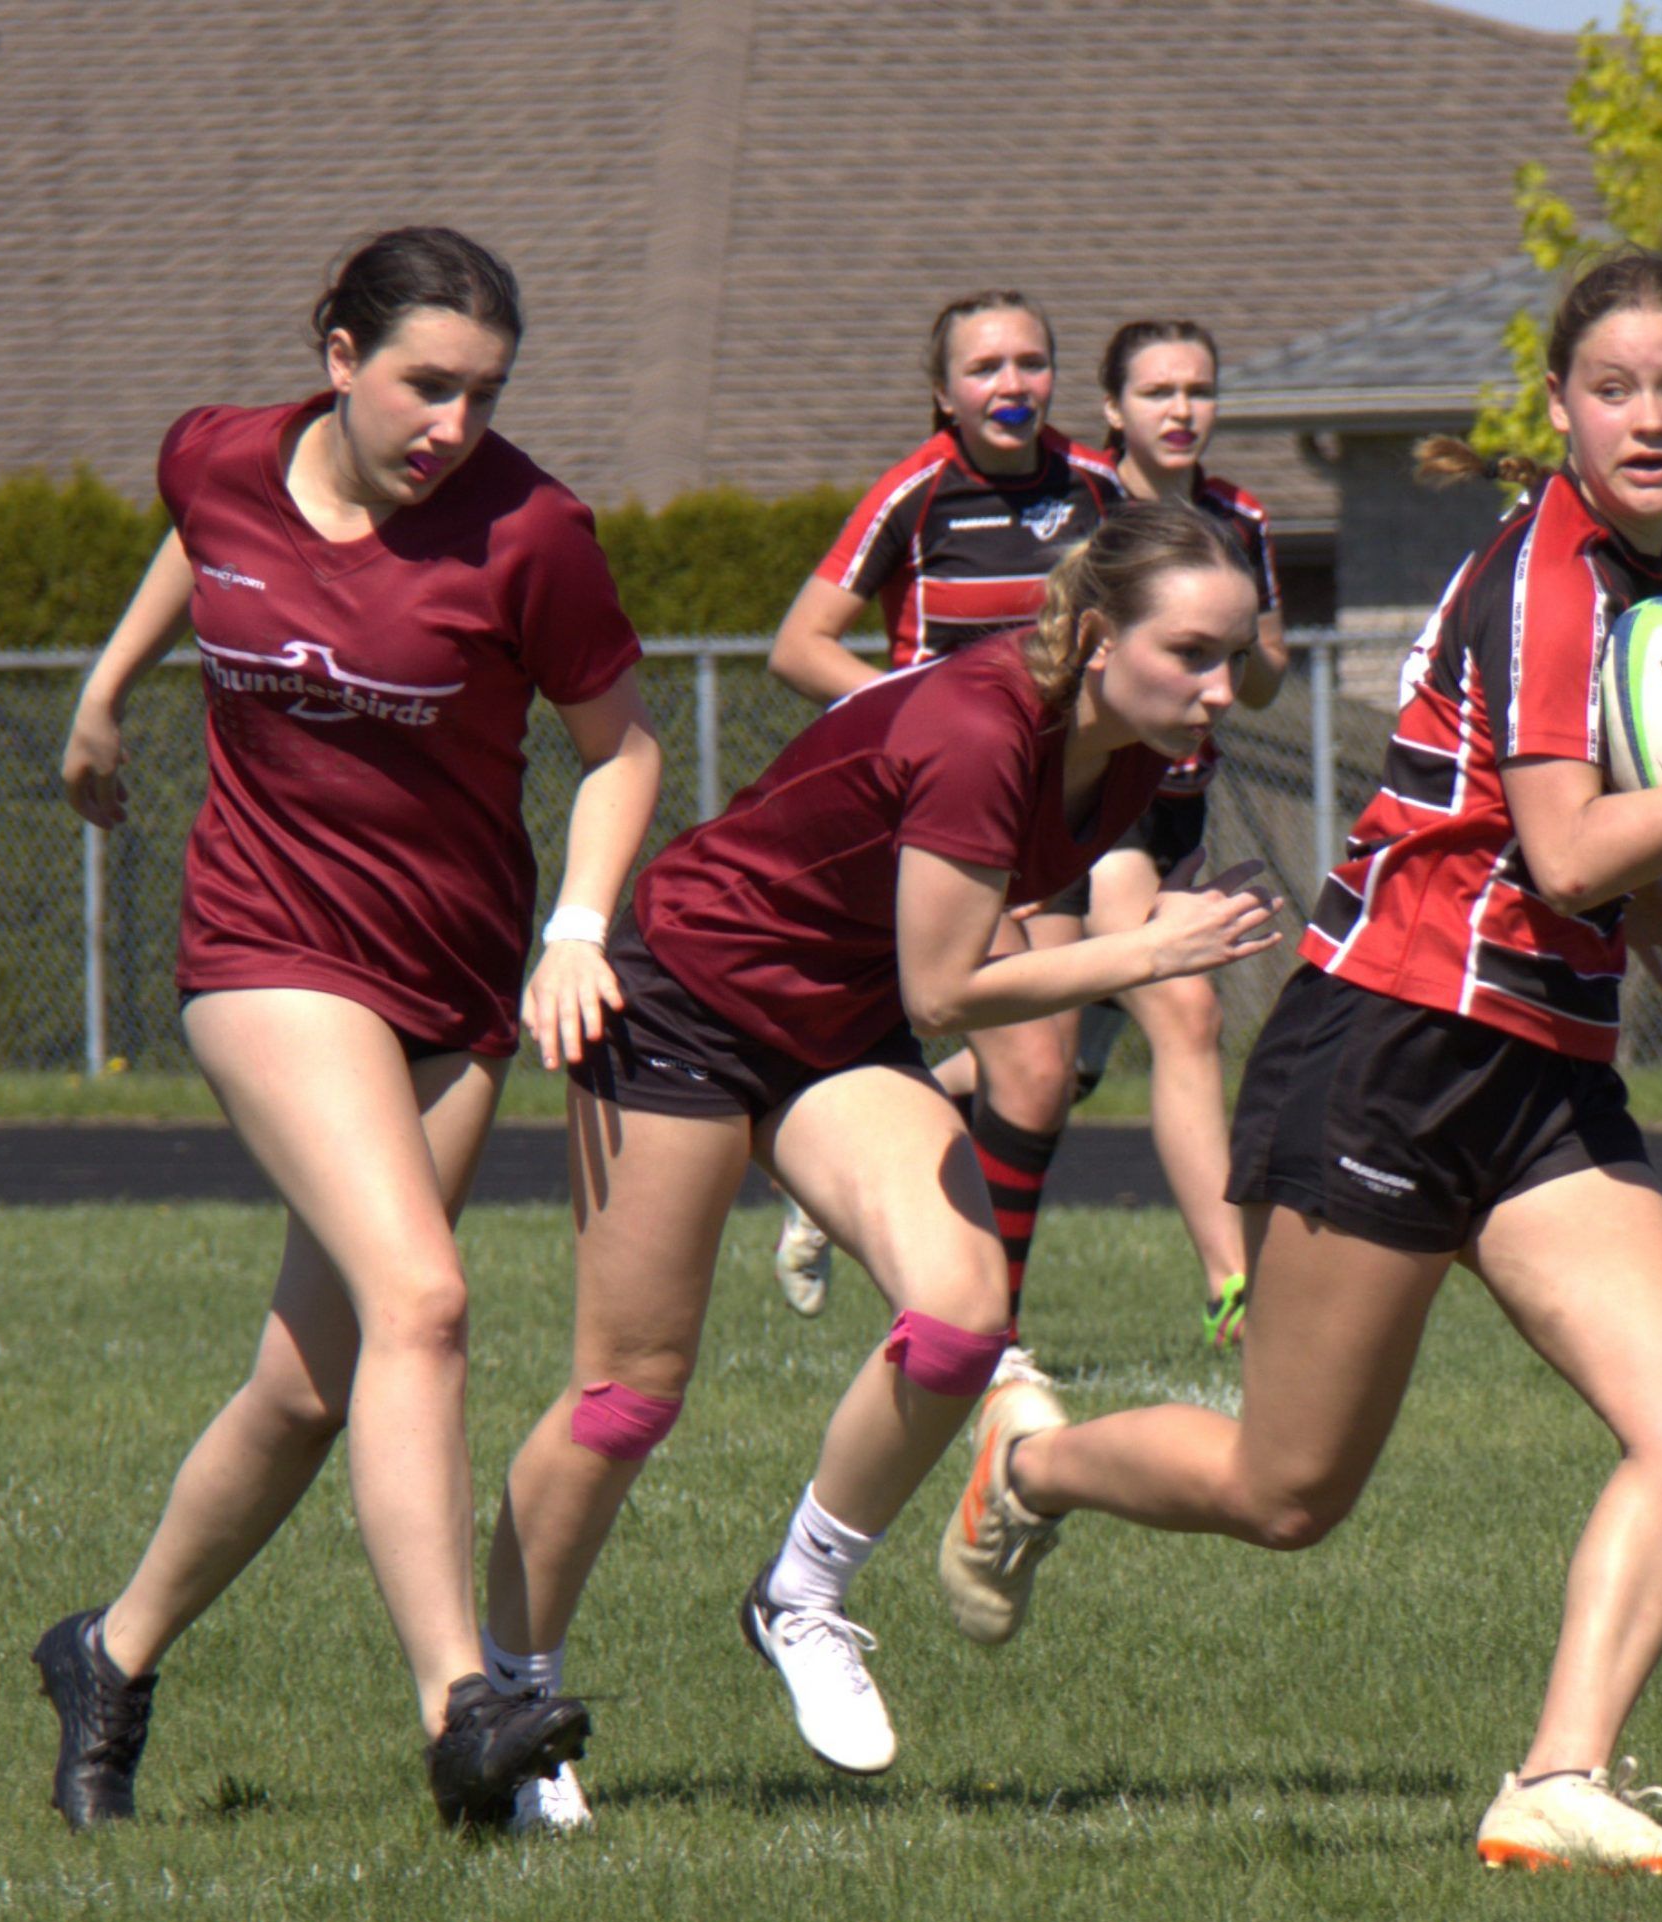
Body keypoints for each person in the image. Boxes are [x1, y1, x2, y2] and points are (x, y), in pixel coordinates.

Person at [937, 248, 1662, 1876]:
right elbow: (1560, 853)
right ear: (1557, 403)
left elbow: (1532, 821)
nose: (1649, 417)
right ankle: (1033, 1459)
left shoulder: (1621, 568)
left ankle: (1557, 1776)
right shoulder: (1559, 572)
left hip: (1533, 1061)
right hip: (1401, 1044)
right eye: (1613, 387)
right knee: (1289, 1488)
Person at [482, 505, 1279, 1814]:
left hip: (834, 1031)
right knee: (627, 1395)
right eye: (1190, 651)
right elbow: (952, 989)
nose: (1219, 686)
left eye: (1232, 656)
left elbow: (966, 959)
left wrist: (1156, 935)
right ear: (1092, 639)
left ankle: (800, 1595)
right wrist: (1149, 954)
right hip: (685, 1002)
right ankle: (514, 1707)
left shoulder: (1128, 752)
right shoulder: (980, 732)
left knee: (964, 1318)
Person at [34, 227, 662, 1832]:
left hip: (449, 985)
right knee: (427, 1299)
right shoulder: (219, 454)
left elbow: (622, 752)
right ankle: (464, 1706)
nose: (453, 423)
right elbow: (204, 535)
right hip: (265, 942)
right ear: (338, 355)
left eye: (483, 391)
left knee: (318, 1384)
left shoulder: (533, 534)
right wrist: (109, 690)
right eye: (425, 384)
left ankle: (109, 1653)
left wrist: (574, 926)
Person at [765, 290, 1125, 1325]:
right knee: (1023, 1058)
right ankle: (985, 1331)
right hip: (957, 813)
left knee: (1044, 1077)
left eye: (1029, 363)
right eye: (983, 368)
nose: (1009, 386)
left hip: (1051, 812)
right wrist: (923, 717)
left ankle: (838, 1185)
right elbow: (801, 643)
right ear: (943, 392)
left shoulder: (1098, 489)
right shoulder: (917, 491)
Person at [941, 317, 1293, 1344]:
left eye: (1199, 389)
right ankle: (1232, 1277)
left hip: (1174, 804)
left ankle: (899, 1104)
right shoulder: (1077, 508)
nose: (1181, 410)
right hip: (1086, 809)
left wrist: (1243, 641)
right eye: (1158, 392)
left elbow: (1262, 681)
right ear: (1113, 410)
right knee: (1178, 1016)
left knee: (1053, 1064)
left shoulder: (1239, 517)